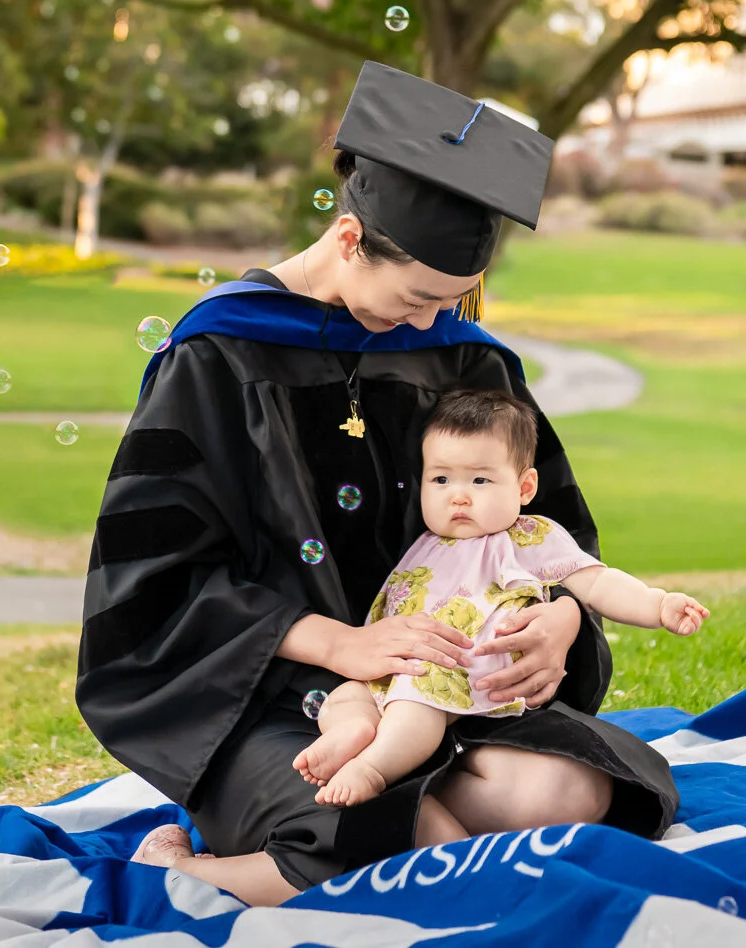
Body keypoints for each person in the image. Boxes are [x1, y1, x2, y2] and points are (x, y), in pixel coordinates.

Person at [76, 62, 678, 908]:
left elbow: (551, 528)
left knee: (564, 796)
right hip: (279, 693)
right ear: (351, 238)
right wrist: (338, 646)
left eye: (454, 300)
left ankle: (396, 838)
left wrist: (563, 622)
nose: (431, 321)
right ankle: (179, 870)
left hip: (451, 683)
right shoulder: (219, 357)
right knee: (398, 839)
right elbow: (152, 582)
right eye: (418, 296)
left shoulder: (460, 356)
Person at [295, 388, 708, 807]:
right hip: (396, 665)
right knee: (344, 698)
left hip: (456, 671)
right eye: (440, 479)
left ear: (524, 487)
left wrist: (658, 605)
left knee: (414, 710)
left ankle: (373, 769)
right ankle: (353, 730)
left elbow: (598, 584)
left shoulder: (530, 538)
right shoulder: (427, 542)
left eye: (479, 480)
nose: (458, 495)